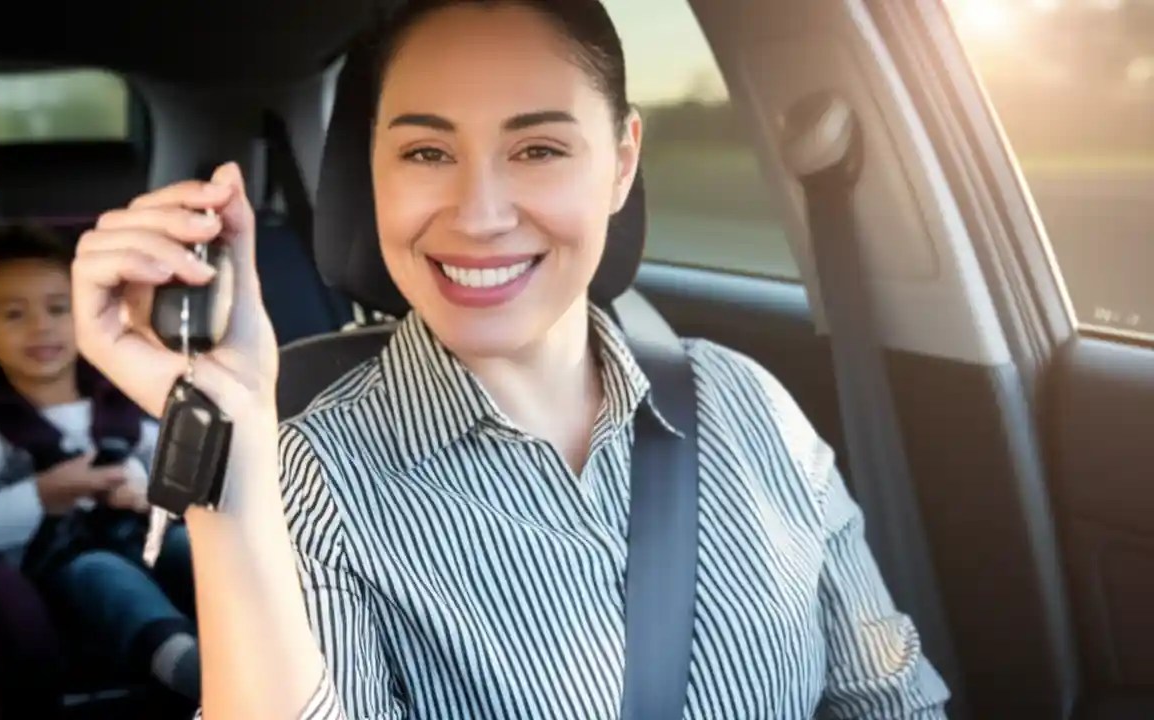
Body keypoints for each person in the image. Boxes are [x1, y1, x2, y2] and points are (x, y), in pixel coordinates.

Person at [71, 0, 953, 717]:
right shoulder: (308, 474)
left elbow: (889, 700)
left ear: (619, 162)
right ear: (370, 175)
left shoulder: (748, 403)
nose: (480, 212)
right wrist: (230, 450)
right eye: (425, 152)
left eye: (537, 149)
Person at [0, 223, 201, 702]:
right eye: (14, 314)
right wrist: (42, 493)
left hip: (148, 542)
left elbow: (197, 486)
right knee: (100, 573)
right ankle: (187, 667)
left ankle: (274, 634)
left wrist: (146, 492)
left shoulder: (126, 412)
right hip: (65, 575)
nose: (41, 327)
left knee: (188, 544)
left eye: (59, 309)